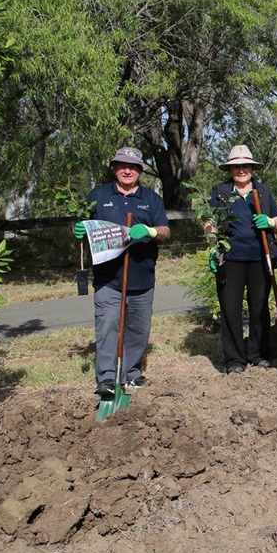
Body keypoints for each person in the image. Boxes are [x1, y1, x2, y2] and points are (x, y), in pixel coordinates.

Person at [73, 147, 170, 396]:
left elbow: (165, 231)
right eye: (122, 165)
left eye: (133, 166)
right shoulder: (97, 195)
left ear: (140, 171)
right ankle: (106, 378)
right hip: (108, 276)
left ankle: (131, 373)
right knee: (108, 325)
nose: (128, 170)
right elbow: (83, 222)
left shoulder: (151, 199)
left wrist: (150, 231)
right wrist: (79, 230)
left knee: (138, 328)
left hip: (142, 275)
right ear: (115, 168)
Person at [203, 145, 277, 374]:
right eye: (236, 166)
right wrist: (211, 243)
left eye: (245, 165)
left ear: (252, 169)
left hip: (260, 257)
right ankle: (234, 359)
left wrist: (269, 221)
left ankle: (257, 354)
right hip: (230, 259)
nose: (241, 170)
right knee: (231, 308)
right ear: (230, 169)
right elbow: (209, 222)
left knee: (259, 306)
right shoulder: (221, 191)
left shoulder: (263, 191)